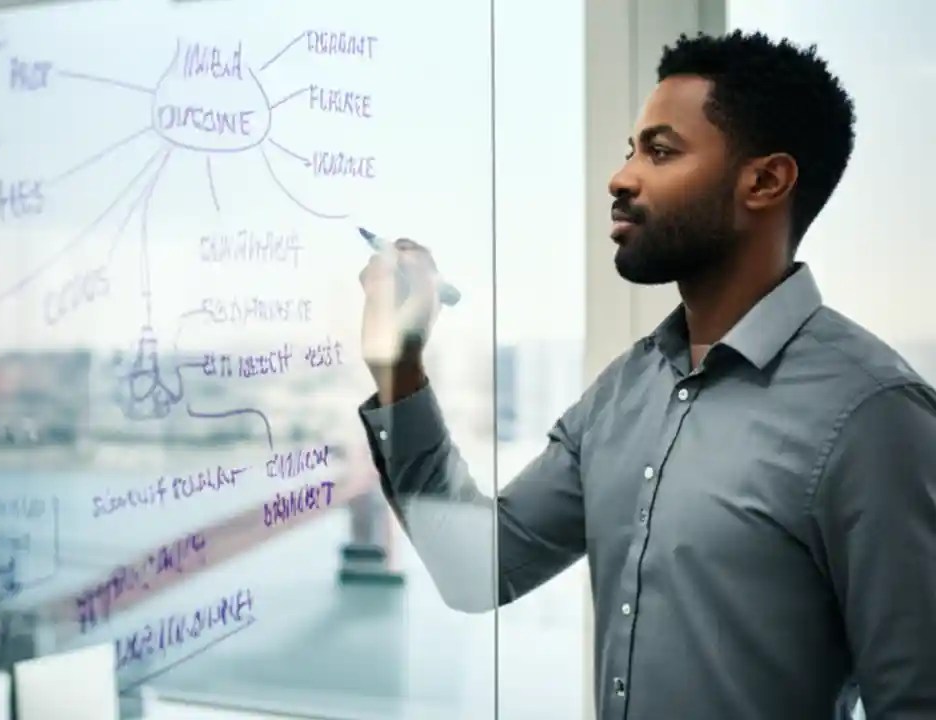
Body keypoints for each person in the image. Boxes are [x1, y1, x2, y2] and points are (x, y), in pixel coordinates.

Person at [356, 30, 936, 720]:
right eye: (631, 150)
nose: (622, 177)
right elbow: (475, 568)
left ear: (765, 182)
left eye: (660, 152)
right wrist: (399, 365)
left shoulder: (874, 415)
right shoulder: (625, 390)